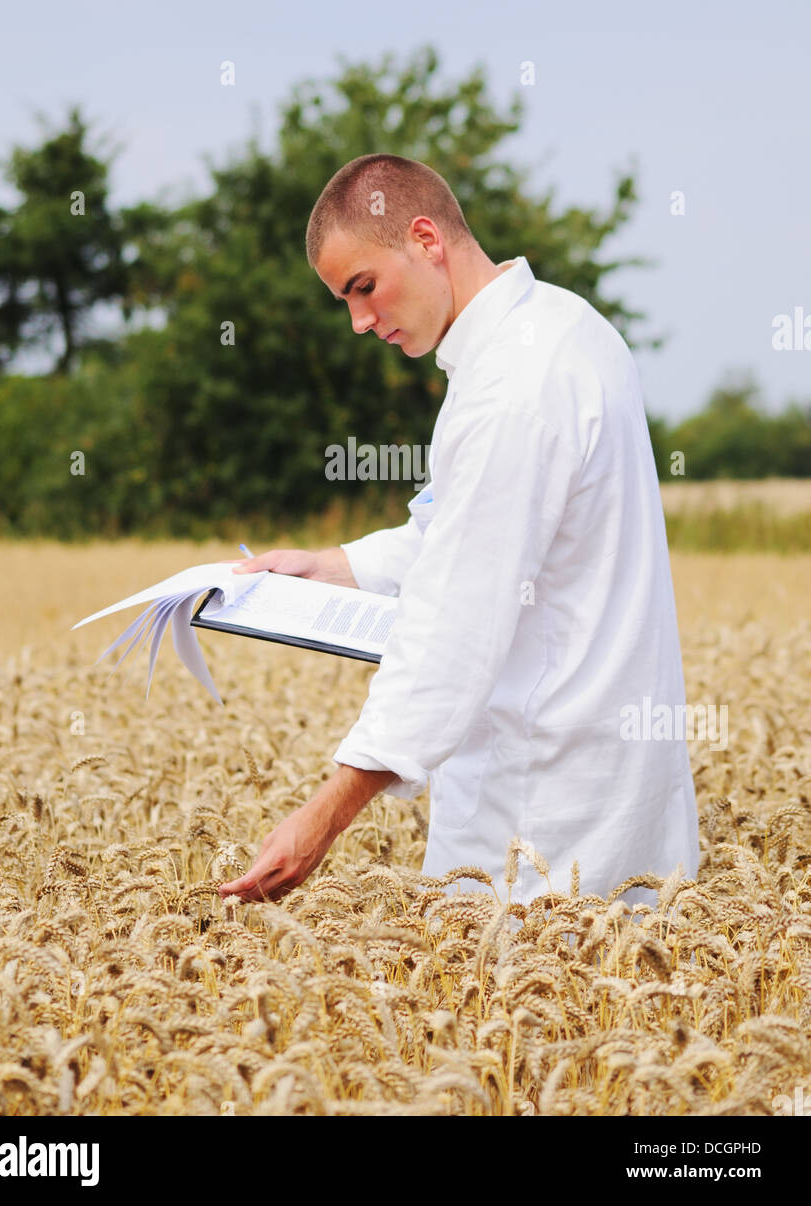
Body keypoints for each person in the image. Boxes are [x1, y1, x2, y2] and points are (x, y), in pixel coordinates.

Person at [217, 154, 700, 908]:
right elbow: (454, 530)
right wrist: (328, 565)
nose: (360, 321)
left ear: (425, 239)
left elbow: (454, 625)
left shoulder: (510, 390)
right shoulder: (564, 326)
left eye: (364, 287)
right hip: (603, 791)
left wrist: (324, 814)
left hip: (539, 821)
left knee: (507, 1020)